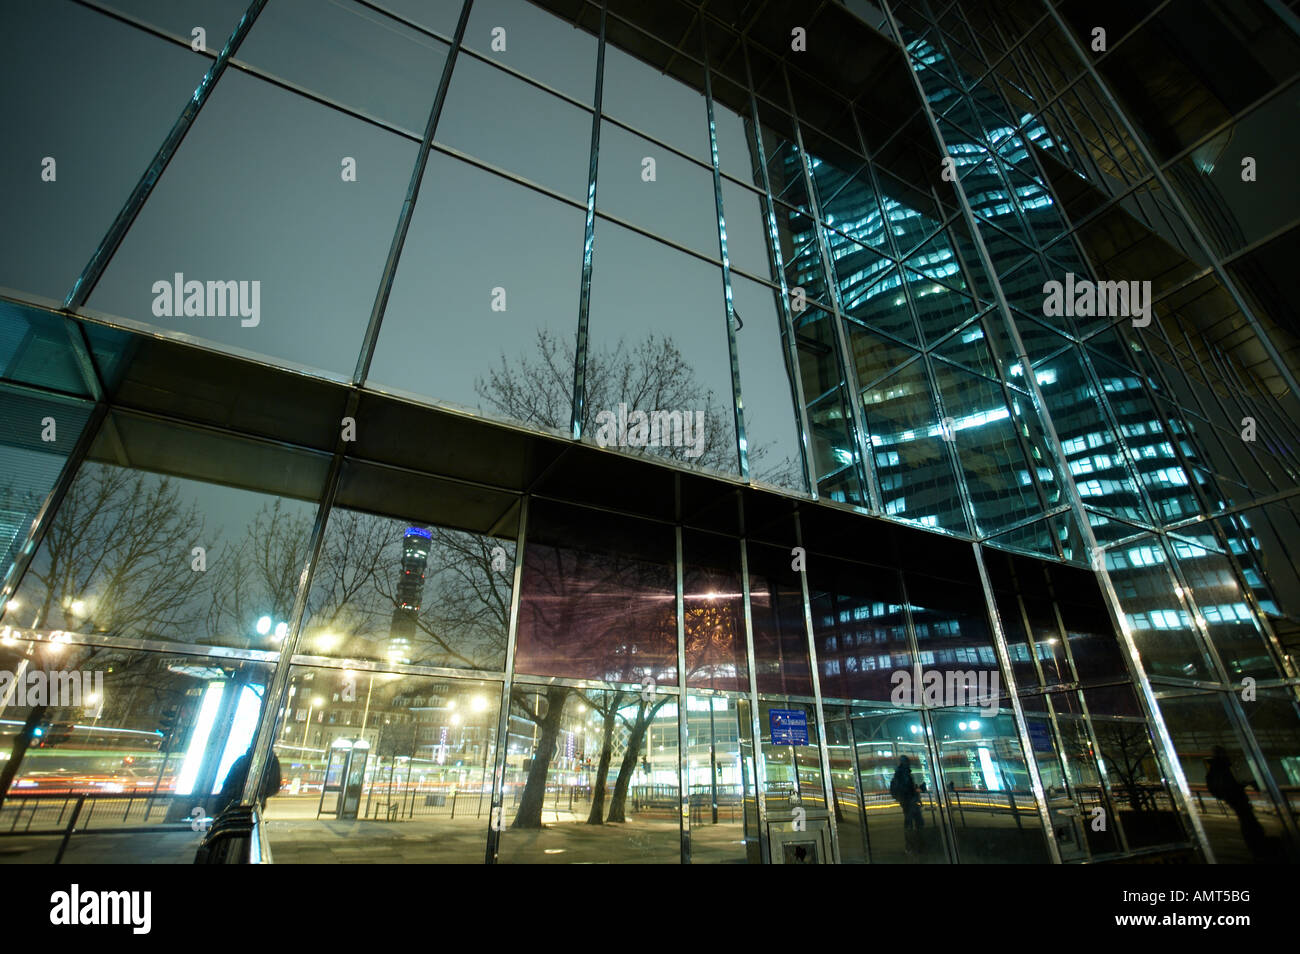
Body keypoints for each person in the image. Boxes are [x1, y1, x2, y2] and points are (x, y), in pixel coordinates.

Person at [1204, 746, 1271, 861]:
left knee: (1246, 819)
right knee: (1248, 819)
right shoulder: (1223, 767)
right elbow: (1231, 782)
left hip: (1232, 796)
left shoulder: (1217, 768)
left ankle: (1256, 844)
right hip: (1235, 795)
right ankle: (1257, 844)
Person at [214, 748, 282, 817]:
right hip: (244, 808)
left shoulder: (242, 761)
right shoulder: (271, 762)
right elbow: (274, 786)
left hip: (234, 807)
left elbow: (226, 786)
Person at [889, 755, 925, 854]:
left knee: (910, 823)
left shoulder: (900, 773)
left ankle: (910, 846)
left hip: (906, 802)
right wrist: (917, 791)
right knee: (916, 823)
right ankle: (914, 846)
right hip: (909, 802)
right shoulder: (904, 773)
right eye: (908, 761)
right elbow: (908, 789)